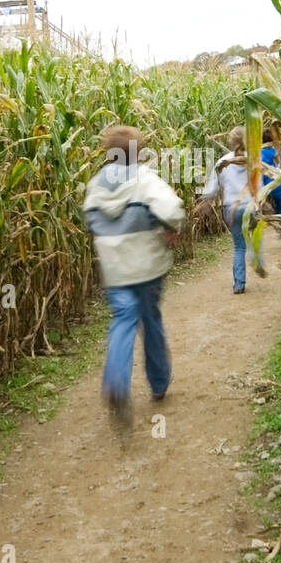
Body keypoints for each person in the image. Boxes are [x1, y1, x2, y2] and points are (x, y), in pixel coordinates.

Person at [83, 125, 186, 429]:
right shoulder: (145, 179)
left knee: (123, 319)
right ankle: (158, 383)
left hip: (115, 269)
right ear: (137, 152)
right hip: (148, 266)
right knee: (151, 321)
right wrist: (171, 228)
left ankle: (116, 382)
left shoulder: (96, 185)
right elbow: (171, 208)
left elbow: (90, 219)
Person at [200, 126, 265, 294]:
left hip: (231, 208)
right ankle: (257, 260)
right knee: (254, 239)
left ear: (231, 141)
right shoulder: (254, 160)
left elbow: (211, 190)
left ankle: (239, 284)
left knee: (238, 247)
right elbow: (261, 186)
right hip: (251, 206)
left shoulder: (222, 162)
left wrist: (203, 200)